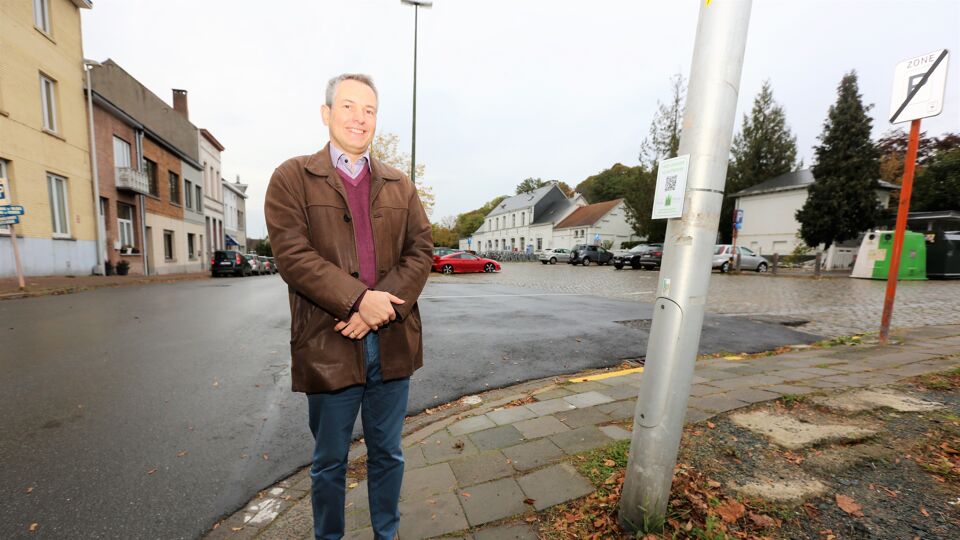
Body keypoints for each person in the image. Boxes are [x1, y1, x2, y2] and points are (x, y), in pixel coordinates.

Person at [264, 73, 432, 540]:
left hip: (393, 344)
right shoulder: (291, 178)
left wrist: (381, 309)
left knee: (388, 454)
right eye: (349, 107)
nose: (360, 118)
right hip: (329, 344)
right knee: (329, 462)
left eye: (370, 110)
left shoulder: (401, 185)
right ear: (327, 114)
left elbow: (421, 252)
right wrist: (360, 301)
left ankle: (387, 535)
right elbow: (293, 257)